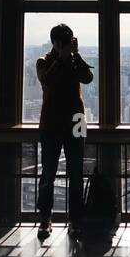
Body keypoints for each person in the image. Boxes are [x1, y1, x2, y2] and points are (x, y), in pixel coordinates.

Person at [35, 23, 94, 241]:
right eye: (66, 42)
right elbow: (46, 80)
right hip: (51, 123)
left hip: (77, 121)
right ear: (57, 43)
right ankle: (45, 218)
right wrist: (61, 58)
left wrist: (75, 56)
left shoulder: (73, 61)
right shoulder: (44, 61)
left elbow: (88, 78)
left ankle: (76, 220)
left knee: (76, 173)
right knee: (48, 173)